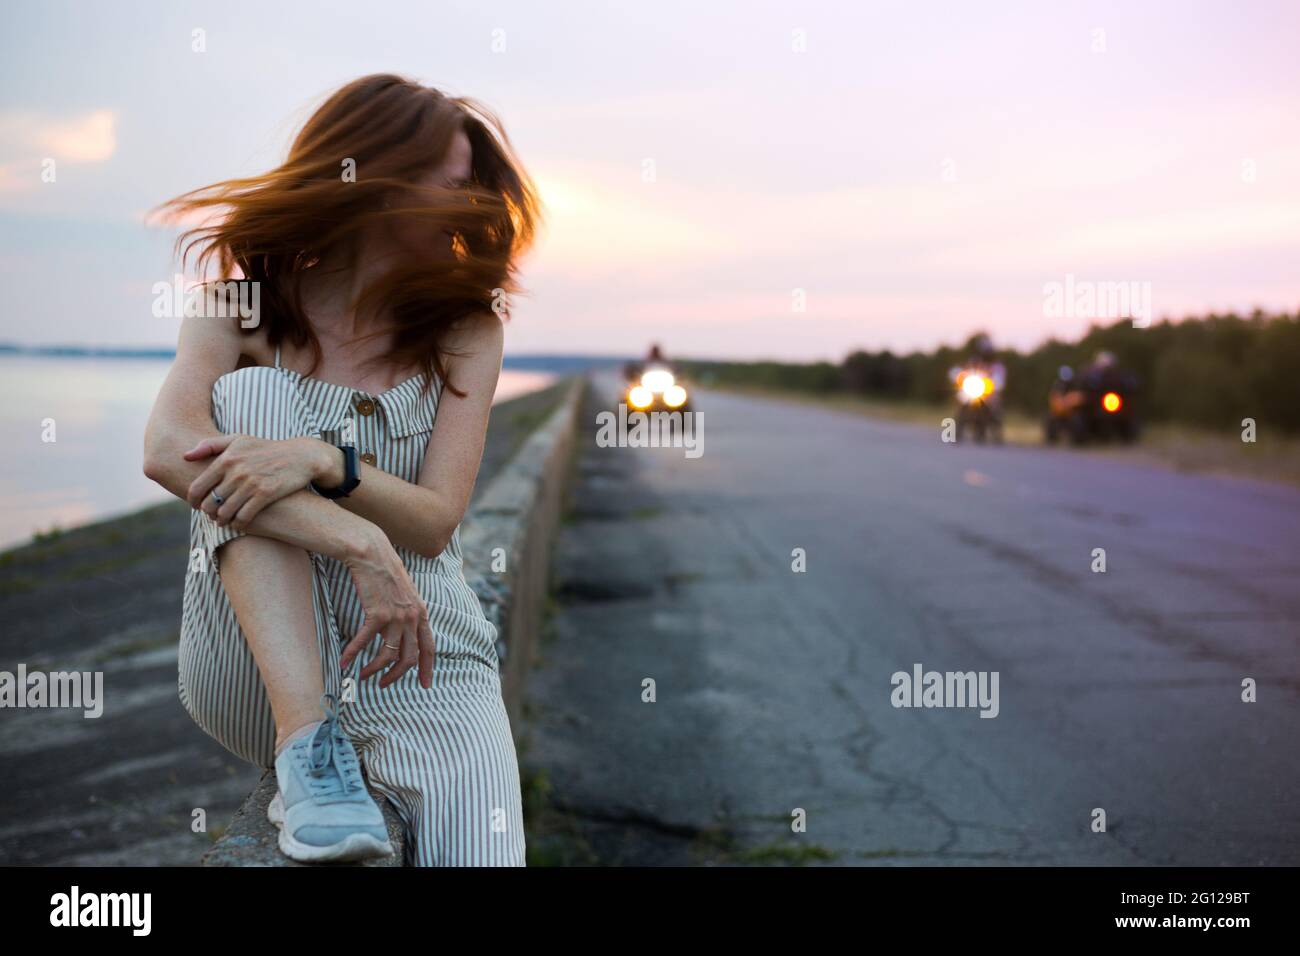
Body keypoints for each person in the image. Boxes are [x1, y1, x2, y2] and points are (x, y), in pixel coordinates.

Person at [142, 74, 541, 865]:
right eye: (454, 186)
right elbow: (165, 450)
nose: (474, 208)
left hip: (423, 657)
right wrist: (359, 545)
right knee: (250, 399)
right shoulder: (238, 311)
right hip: (253, 665)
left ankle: (329, 763)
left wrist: (326, 458)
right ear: (375, 176)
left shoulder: (467, 328)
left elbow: (433, 520)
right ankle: (306, 745)